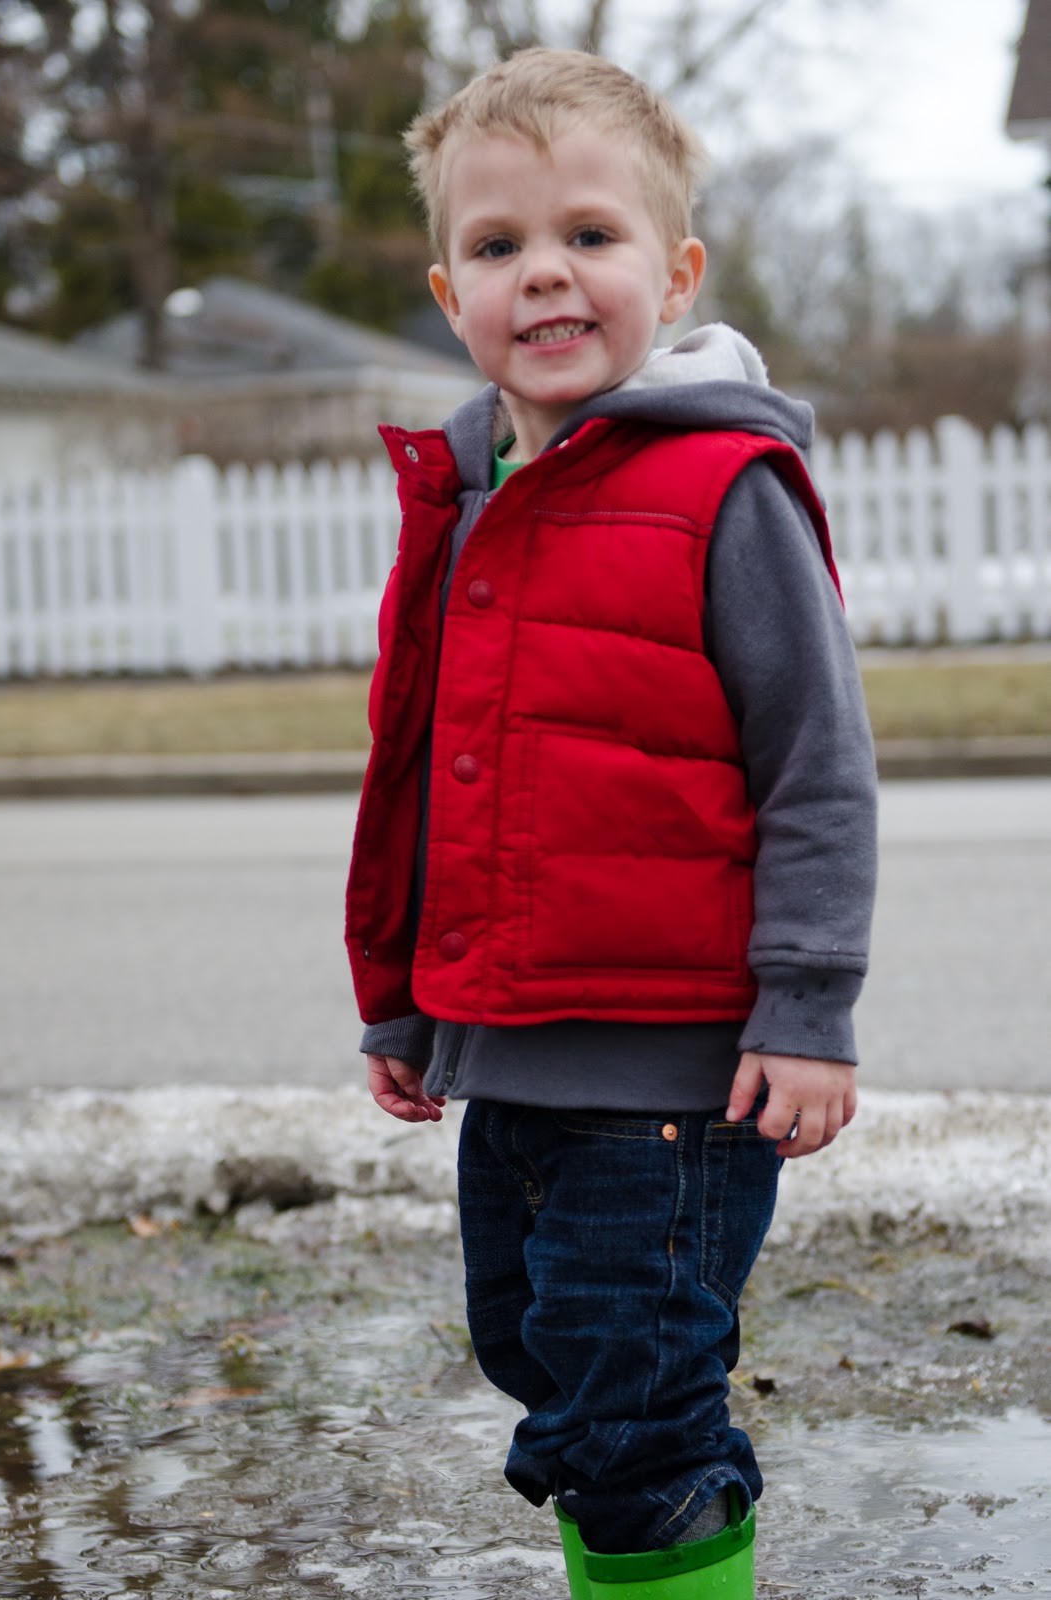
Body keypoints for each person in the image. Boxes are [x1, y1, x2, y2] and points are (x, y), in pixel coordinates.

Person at [346, 46, 877, 1600]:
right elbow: (433, 777)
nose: (546, 273)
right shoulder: (464, 505)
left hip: (672, 1078)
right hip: (506, 1058)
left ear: (676, 271)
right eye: (499, 244)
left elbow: (816, 768)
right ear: (450, 293)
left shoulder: (724, 486)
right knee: (548, 1364)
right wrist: (406, 1001)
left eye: (591, 233)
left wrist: (808, 1010)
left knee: (639, 1413)